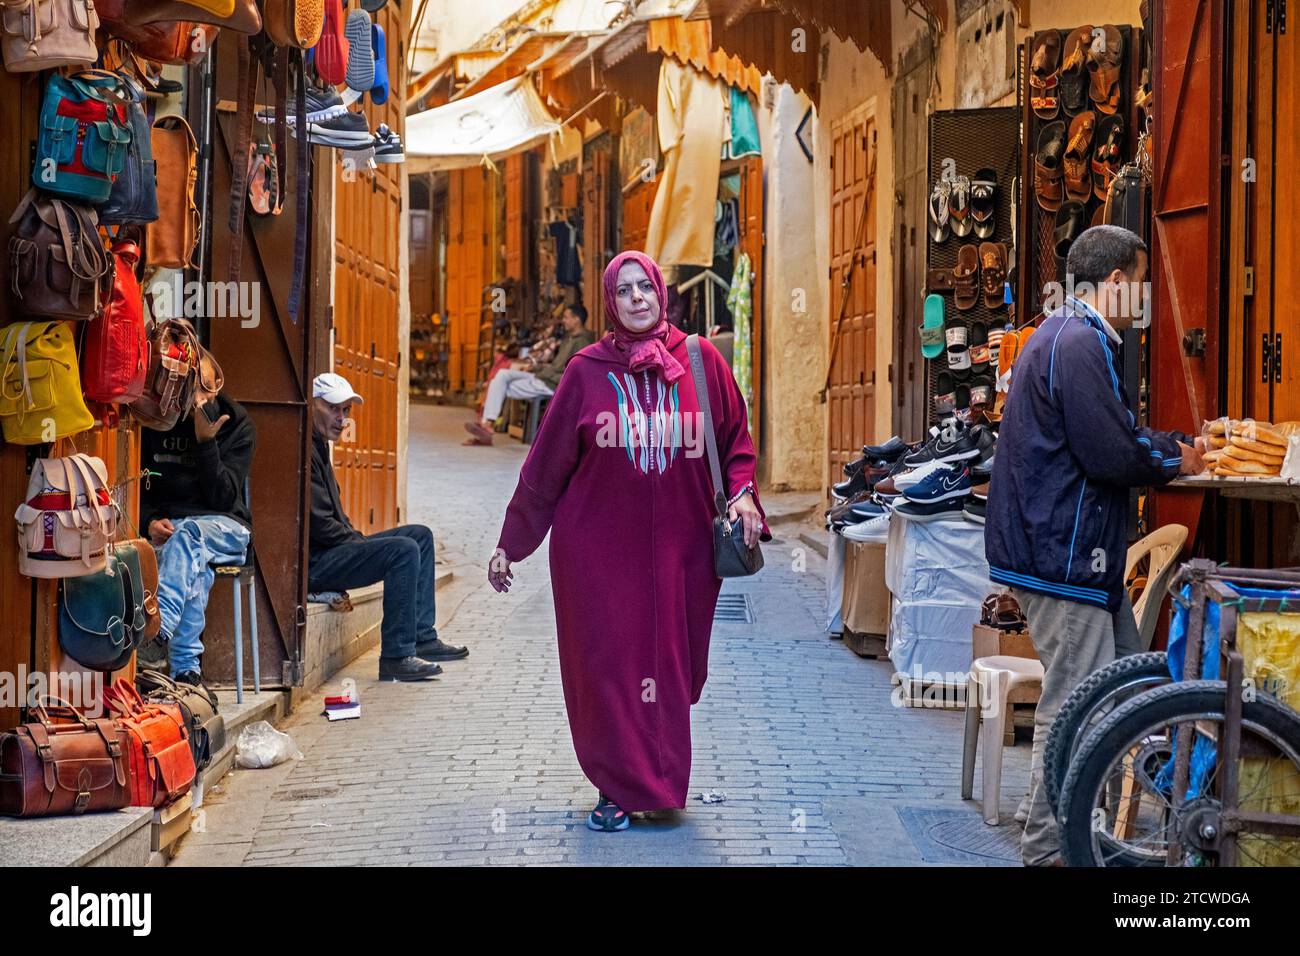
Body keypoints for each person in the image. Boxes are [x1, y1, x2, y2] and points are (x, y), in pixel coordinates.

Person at [487, 251, 768, 831]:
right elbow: (546, 469)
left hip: (684, 555)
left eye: (646, 287)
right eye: (624, 291)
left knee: (671, 669)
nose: (637, 298)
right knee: (612, 669)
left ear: (662, 294)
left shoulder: (700, 359)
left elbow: (735, 436)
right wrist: (511, 543)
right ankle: (616, 788)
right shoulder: (585, 372)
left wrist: (742, 494)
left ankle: (659, 782)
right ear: (611, 302)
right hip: (599, 556)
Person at [984, 225, 1205, 866]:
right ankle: (1050, 845)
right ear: (1114, 285)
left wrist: (1165, 446)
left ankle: (1052, 812)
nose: (1144, 300)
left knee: (1129, 685)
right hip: (1063, 554)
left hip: (1070, 554)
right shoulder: (1077, 342)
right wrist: (1175, 458)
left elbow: (1110, 434)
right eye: (1139, 284)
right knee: (1076, 697)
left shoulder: (1066, 335)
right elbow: (1110, 452)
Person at [307, 372, 467, 683]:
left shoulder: (319, 447)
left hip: (335, 550)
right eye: (332, 409)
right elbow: (321, 526)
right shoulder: (302, 450)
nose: (340, 418)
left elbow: (333, 520)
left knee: (419, 536)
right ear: (311, 406)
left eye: (345, 411)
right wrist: (357, 542)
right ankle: (396, 655)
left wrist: (355, 540)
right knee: (402, 549)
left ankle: (422, 636)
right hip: (317, 565)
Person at [140, 352, 254, 685]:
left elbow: (223, 497)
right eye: (189, 391)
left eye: (203, 391)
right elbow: (141, 485)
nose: (197, 400)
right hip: (175, 534)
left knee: (189, 537)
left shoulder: (236, 423)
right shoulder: (157, 419)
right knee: (195, 569)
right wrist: (149, 521)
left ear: (215, 388)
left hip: (227, 528)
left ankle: (159, 626)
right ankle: (187, 672)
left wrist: (206, 443)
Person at [464, 304, 596, 446]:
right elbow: (556, 365)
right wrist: (535, 369)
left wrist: (543, 373)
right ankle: (487, 423)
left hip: (552, 384)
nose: (563, 321)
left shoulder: (583, 342)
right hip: (544, 377)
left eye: (566, 317)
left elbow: (573, 372)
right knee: (501, 376)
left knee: (502, 386)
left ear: (577, 320)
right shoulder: (568, 339)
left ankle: (487, 425)